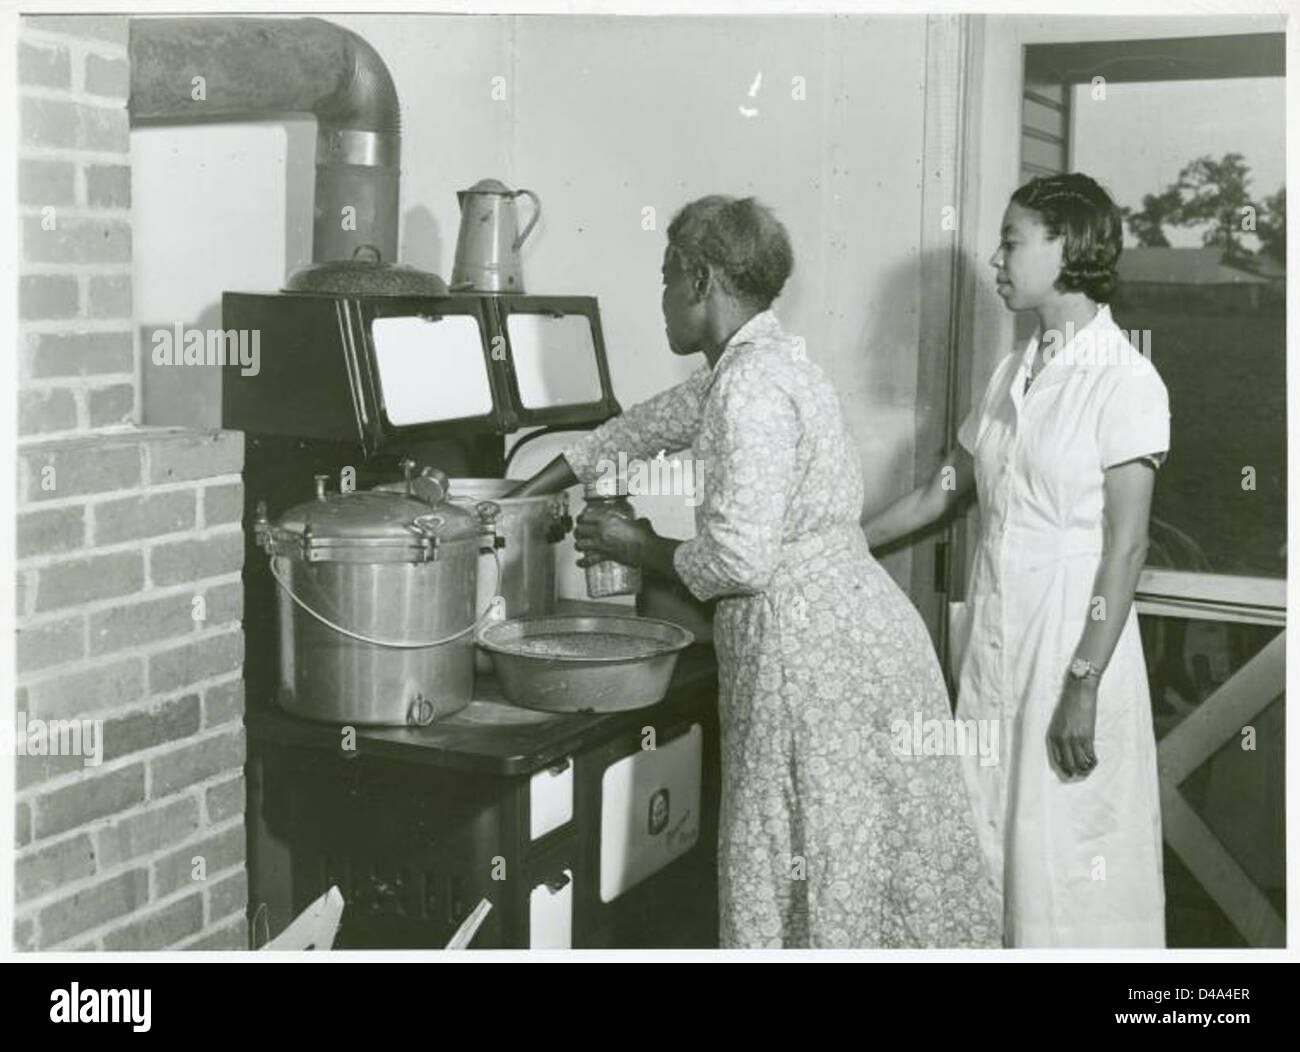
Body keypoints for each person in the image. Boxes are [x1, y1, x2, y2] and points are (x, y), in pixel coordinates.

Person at [510, 195, 1000, 948]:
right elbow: (637, 430)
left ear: (702, 280)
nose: (662, 295)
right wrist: (518, 499)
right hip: (858, 635)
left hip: (809, 659)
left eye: (668, 276)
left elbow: (739, 557)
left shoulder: (749, 387)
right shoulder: (760, 363)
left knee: (809, 849)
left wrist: (635, 542)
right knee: (870, 858)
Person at [865, 173, 1169, 947]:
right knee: (989, 845)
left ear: (1067, 246)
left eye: (1012, 240)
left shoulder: (1126, 380)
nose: (997, 258)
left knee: (1067, 862)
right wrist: (844, 541)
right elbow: (945, 487)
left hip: (1072, 643)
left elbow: (1126, 548)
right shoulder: (1012, 371)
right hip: (1000, 636)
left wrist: (1082, 682)